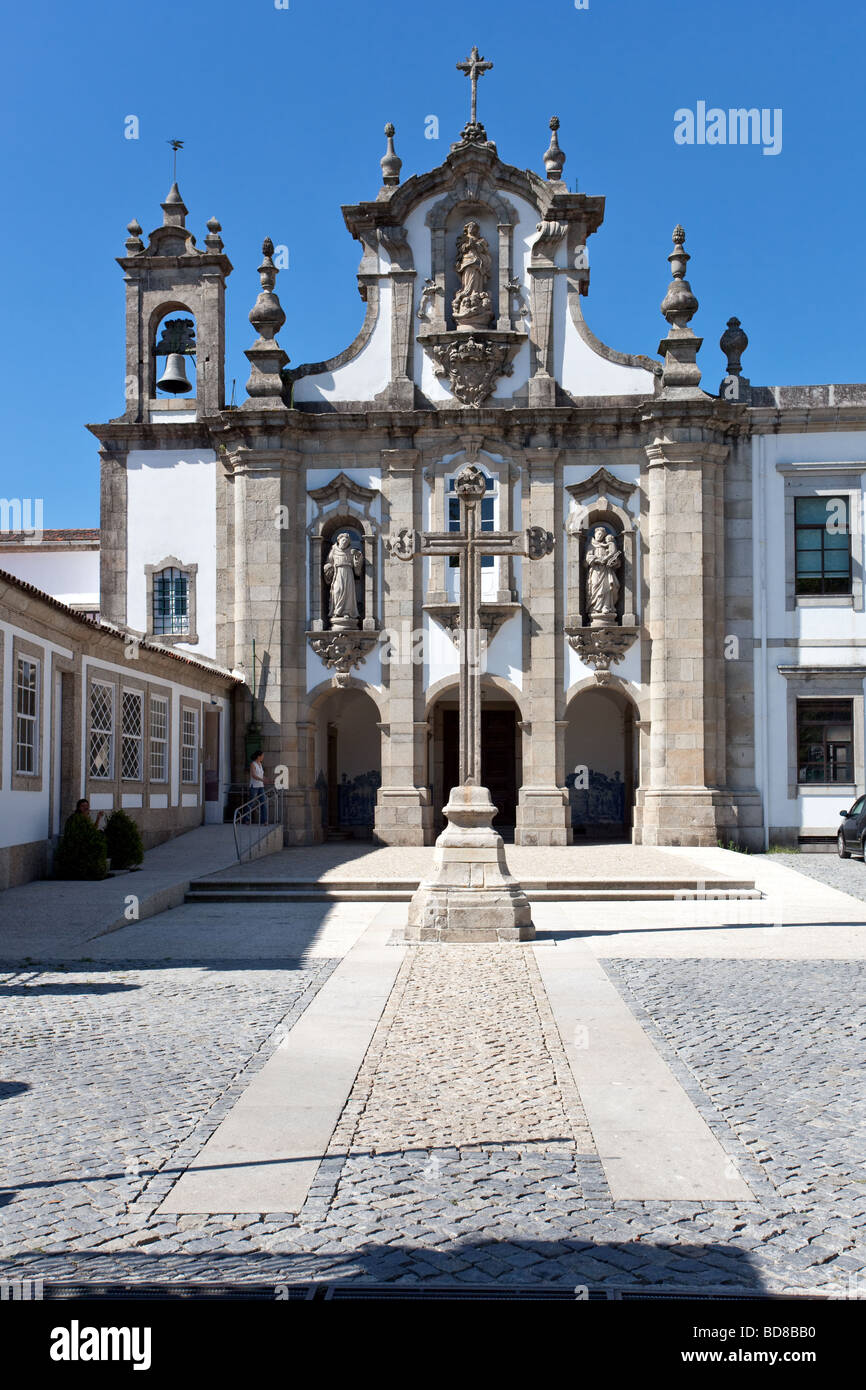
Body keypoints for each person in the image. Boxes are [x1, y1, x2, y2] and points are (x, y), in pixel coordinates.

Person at [248, 749, 268, 824]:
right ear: (258, 756)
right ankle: (246, 819)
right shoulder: (253, 764)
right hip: (254, 786)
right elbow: (253, 775)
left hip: (260, 786)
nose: (263, 757)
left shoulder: (260, 764)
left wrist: (266, 779)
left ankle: (264, 820)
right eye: (262, 756)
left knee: (264, 803)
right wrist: (262, 780)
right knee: (251, 803)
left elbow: (261, 775)